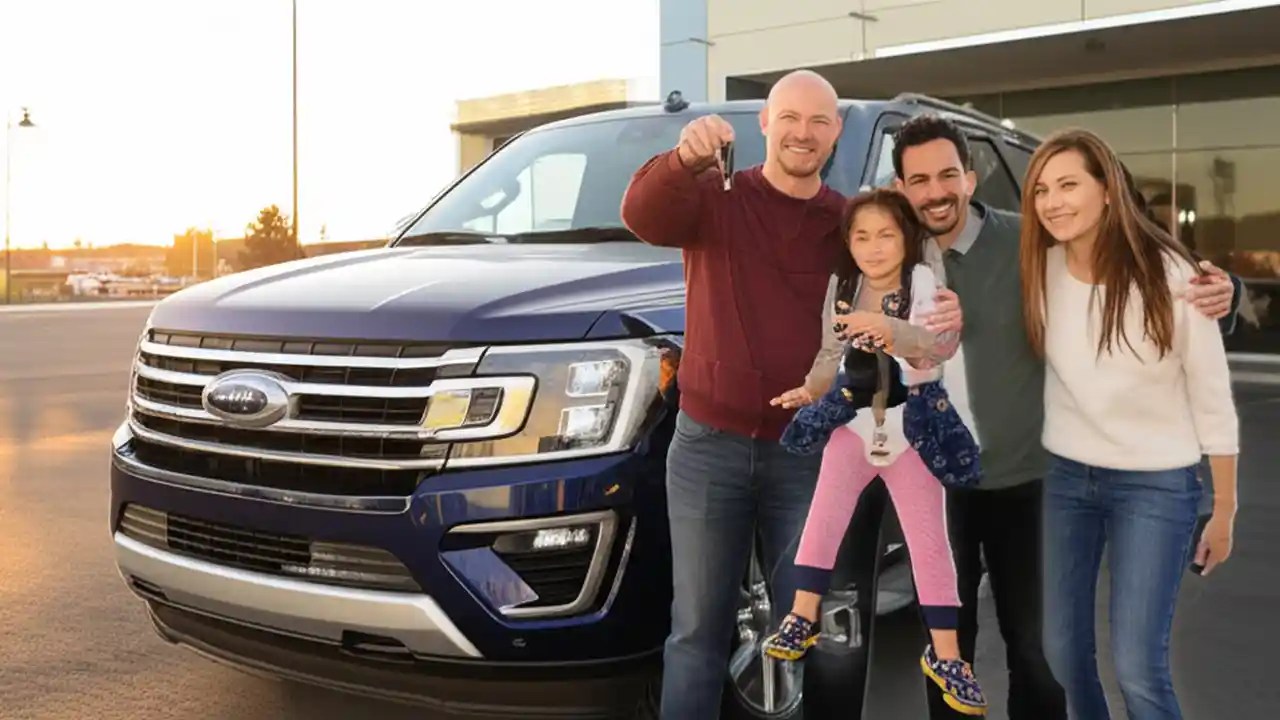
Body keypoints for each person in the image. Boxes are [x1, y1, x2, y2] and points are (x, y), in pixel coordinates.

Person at [618, 70, 963, 719]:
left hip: (806, 456)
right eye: (791, 118)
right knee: (696, 633)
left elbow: (904, 288)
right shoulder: (714, 199)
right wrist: (684, 156)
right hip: (706, 450)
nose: (803, 132)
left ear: (834, 134)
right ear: (766, 126)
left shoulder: (844, 223)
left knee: (816, 629)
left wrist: (935, 318)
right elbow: (641, 213)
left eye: (819, 121)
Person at [886, 114, 1239, 720]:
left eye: (948, 174)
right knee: (948, 649)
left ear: (970, 179)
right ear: (900, 189)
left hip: (1032, 481)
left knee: (1044, 652)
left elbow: (1126, 265)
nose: (934, 191)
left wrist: (1222, 290)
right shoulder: (884, 253)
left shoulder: (1027, 244)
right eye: (918, 180)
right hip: (936, 485)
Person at [1021, 128, 1239, 720]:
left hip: (1156, 485)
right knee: (1063, 654)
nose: (1053, 202)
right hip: (1067, 480)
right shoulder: (1037, 270)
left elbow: (1211, 394)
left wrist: (1224, 509)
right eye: (1042, 189)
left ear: (1108, 191)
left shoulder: (1170, 275)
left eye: (1069, 185)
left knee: (1139, 667)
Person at [758, 188, 988, 717]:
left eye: (886, 234)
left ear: (906, 239)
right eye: (861, 236)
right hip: (853, 423)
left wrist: (889, 330)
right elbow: (828, 352)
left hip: (910, 429)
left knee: (929, 540)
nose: (874, 246)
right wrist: (811, 390)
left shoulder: (923, 283)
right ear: (848, 243)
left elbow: (936, 347)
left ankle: (947, 655)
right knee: (823, 517)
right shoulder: (843, 287)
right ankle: (802, 615)